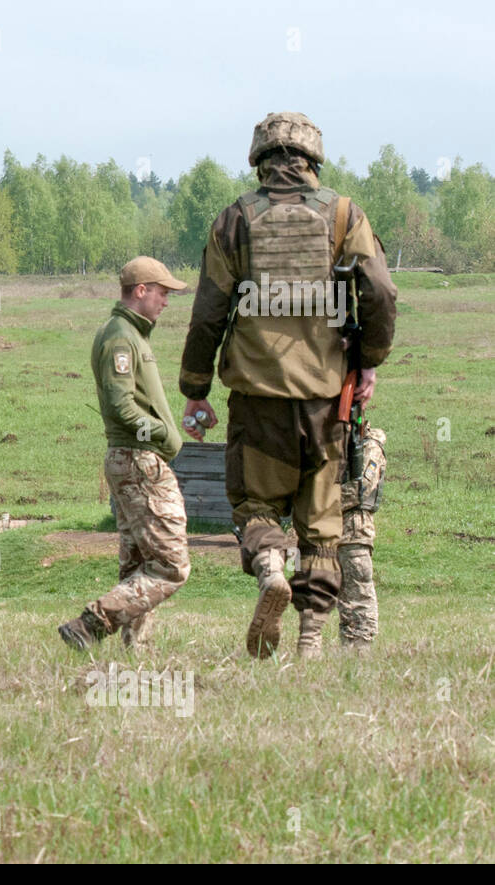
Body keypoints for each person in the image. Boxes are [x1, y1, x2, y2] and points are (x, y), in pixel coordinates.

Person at [178, 112, 396, 660]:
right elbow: (381, 295)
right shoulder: (345, 216)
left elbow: (208, 313)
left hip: (256, 399)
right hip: (326, 401)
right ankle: (310, 639)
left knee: (255, 506)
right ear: (313, 160)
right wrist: (368, 362)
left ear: (259, 159)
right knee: (323, 525)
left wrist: (195, 385)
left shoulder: (234, 221)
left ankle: (271, 566)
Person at [58, 257, 191, 651]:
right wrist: (163, 433)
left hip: (133, 459)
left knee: (139, 564)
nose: (167, 301)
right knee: (170, 567)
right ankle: (91, 623)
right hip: (140, 461)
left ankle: (137, 649)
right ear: (141, 291)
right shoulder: (121, 337)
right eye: (163, 292)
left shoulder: (129, 334)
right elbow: (121, 406)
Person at [337, 424, 386, 651]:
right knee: (345, 598)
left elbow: (363, 488)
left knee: (359, 593)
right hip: (336, 531)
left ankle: (363, 649)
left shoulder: (370, 447)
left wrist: (322, 502)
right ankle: (349, 648)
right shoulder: (341, 446)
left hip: (355, 532)